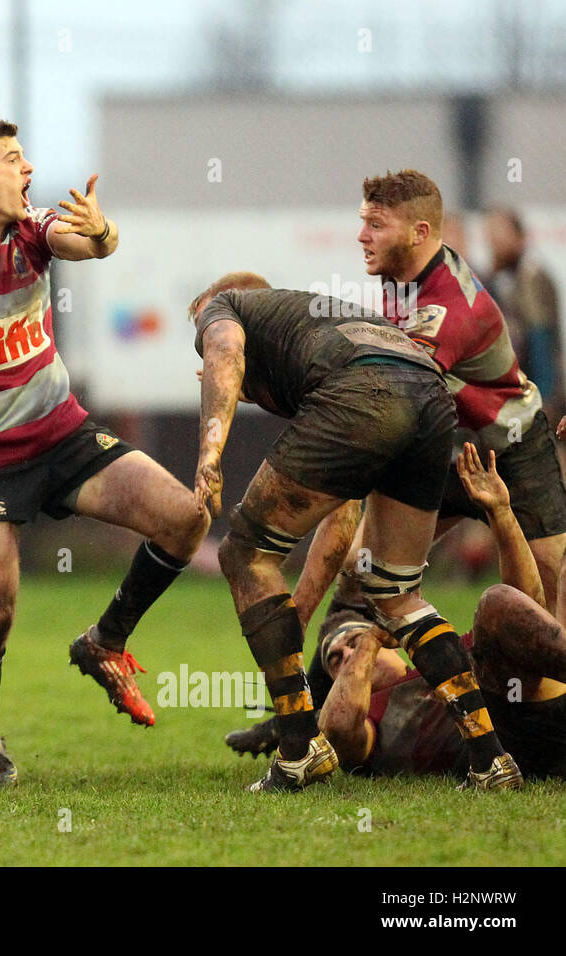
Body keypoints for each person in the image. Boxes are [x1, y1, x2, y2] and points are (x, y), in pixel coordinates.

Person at [0, 114, 209, 791]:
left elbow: (94, 245)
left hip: (64, 436)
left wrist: (103, 229)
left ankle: (105, 640)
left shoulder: (32, 231)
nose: (28, 169)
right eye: (13, 158)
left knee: (187, 518)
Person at [191, 272, 521, 792]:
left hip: (369, 394)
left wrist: (210, 455)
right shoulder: (320, 325)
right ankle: (491, 758)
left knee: (244, 555)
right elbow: (341, 510)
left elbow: (225, 353)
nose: (201, 360)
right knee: (396, 591)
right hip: (430, 396)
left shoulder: (223, 308)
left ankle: (297, 750)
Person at [247, 445, 566, 780]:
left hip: (545, 700)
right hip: (524, 731)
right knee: (495, 603)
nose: (345, 653)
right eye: (337, 659)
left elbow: (526, 609)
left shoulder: (440, 657)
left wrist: (501, 512)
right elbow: (338, 730)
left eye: (348, 643)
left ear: (397, 648)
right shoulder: (375, 722)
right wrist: (368, 640)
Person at [352, 171, 566, 618]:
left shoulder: (476, 294)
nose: (361, 236)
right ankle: (342, 673)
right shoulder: (402, 277)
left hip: (516, 439)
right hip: (457, 450)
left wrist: (551, 400)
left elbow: (544, 347)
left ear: (420, 234)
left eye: (375, 225)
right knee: (362, 571)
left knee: (549, 593)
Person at [485, 206, 564, 424]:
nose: (494, 242)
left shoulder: (531, 277)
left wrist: (544, 399)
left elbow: (542, 341)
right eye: (491, 235)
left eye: (500, 234)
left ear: (519, 238)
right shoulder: (495, 278)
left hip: (536, 390)